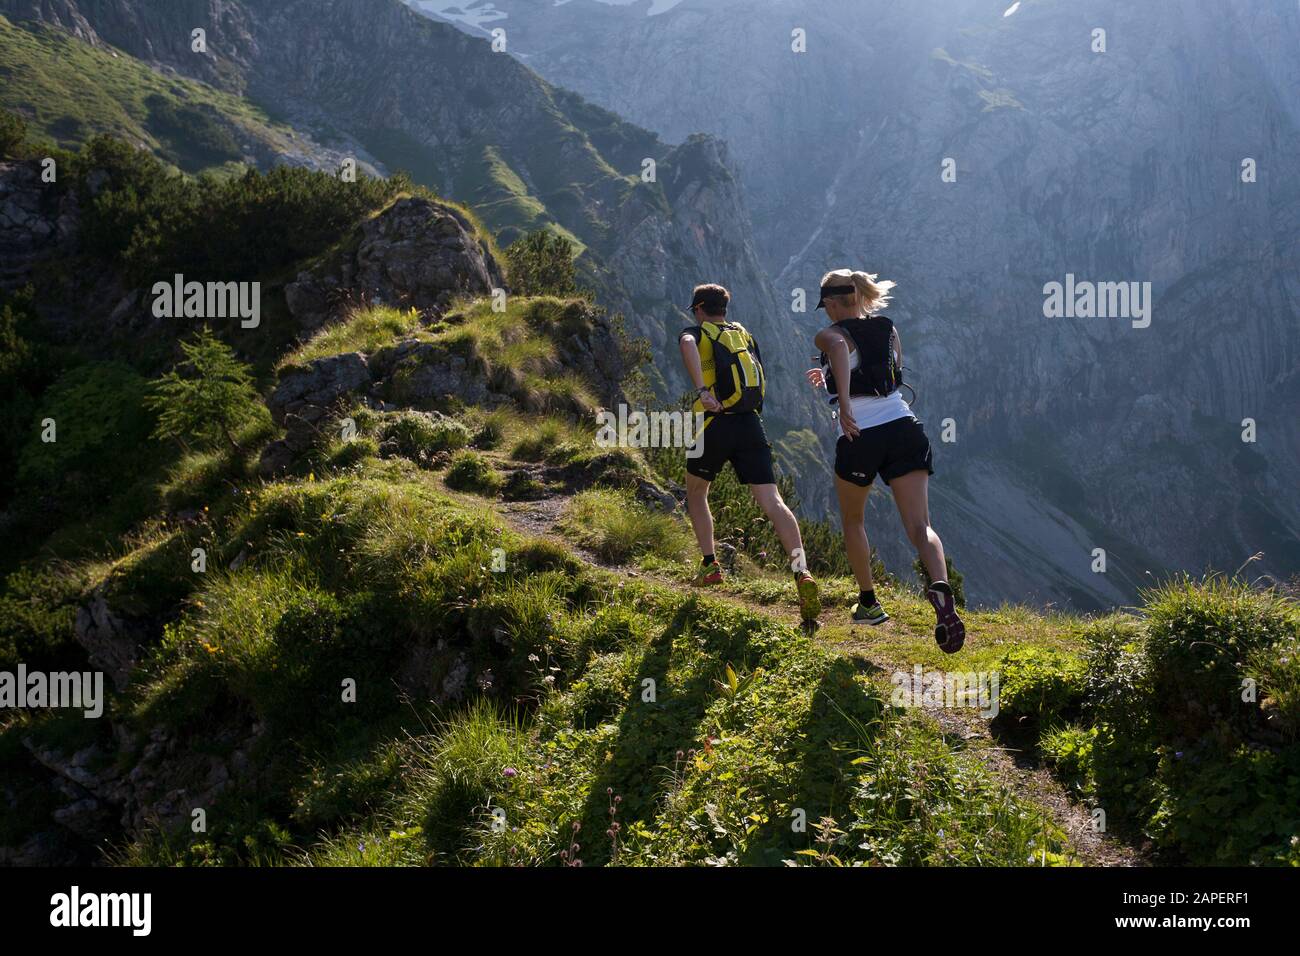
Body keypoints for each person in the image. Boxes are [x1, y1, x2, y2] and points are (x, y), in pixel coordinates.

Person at [806, 269, 965, 653]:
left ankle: (869, 603)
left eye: (825, 306)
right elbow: (887, 371)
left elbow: (843, 350)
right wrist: (828, 378)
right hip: (904, 425)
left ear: (830, 303)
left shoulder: (829, 335)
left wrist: (843, 403)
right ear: (859, 295)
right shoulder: (889, 328)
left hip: (862, 432)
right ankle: (940, 586)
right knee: (919, 525)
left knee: (853, 519)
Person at [678, 283, 821, 623]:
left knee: (696, 493)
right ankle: (802, 572)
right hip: (750, 423)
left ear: (699, 309)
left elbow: (686, 343)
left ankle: (710, 565)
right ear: (724, 308)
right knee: (773, 503)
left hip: (713, 424)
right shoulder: (743, 335)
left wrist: (702, 389)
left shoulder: (697, 333)